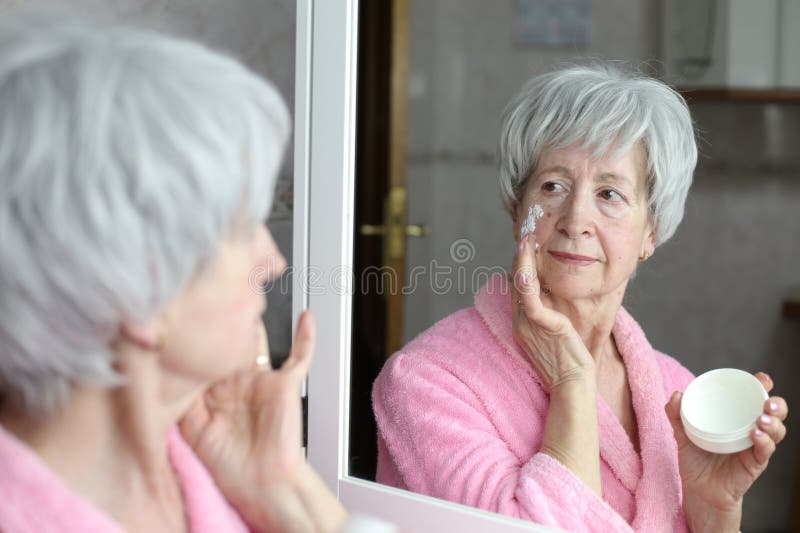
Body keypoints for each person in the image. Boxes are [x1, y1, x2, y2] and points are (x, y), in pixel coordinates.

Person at [0, 11, 392, 533]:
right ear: (137, 291)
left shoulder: (206, 467)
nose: (273, 262)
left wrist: (282, 486)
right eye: (244, 226)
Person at [372, 63, 788, 532]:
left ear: (651, 232)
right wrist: (572, 382)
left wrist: (713, 510)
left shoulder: (678, 395)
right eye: (553, 187)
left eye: (610, 194)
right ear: (517, 211)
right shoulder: (427, 382)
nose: (575, 218)